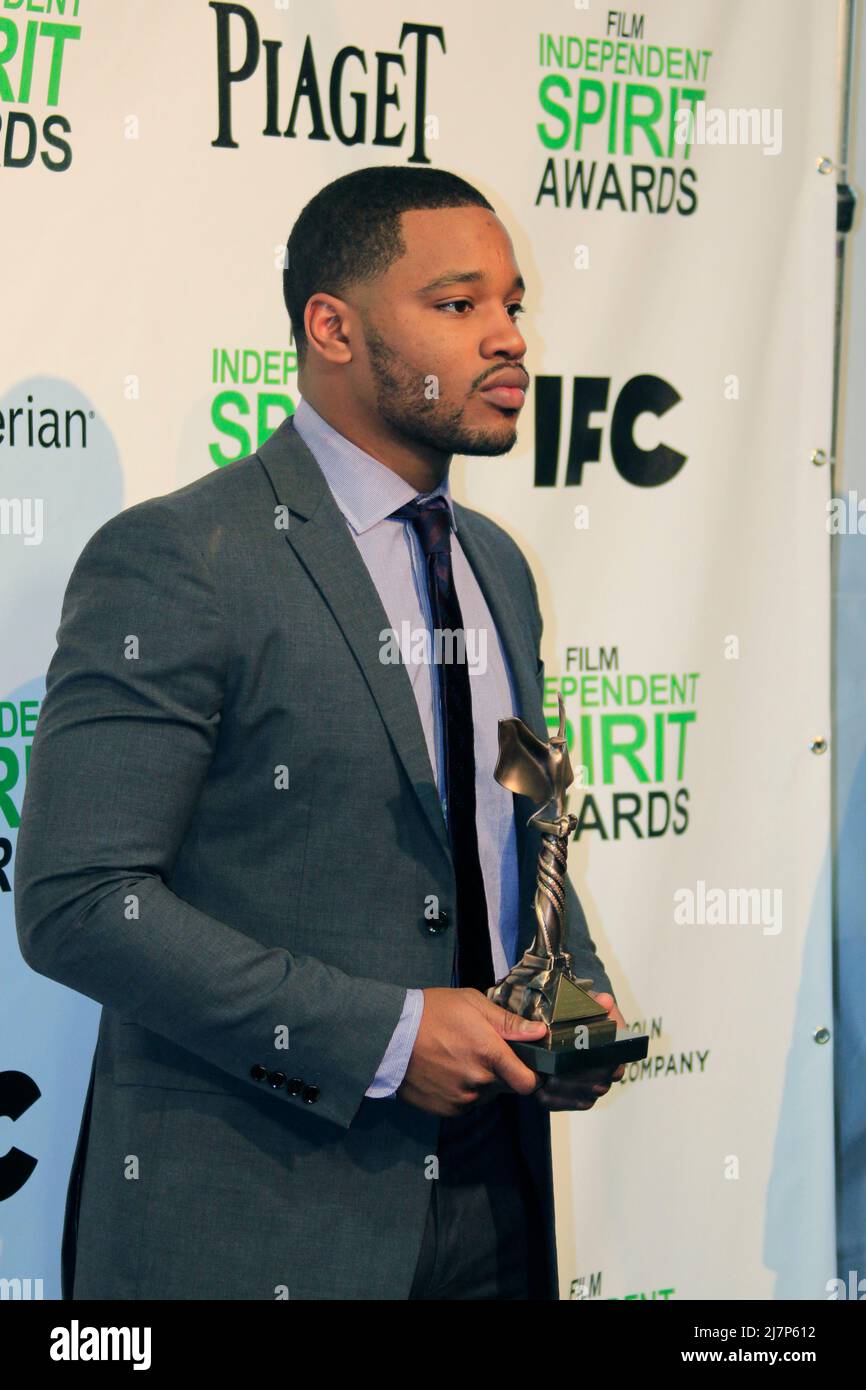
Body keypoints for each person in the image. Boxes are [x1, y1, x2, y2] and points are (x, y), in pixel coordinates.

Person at [14, 164, 626, 1301]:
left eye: (511, 304)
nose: (505, 339)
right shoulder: (180, 559)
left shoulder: (497, 566)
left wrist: (568, 991)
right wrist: (389, 1034)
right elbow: (78, 903)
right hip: (260, 1221)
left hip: (496, 1200)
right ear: (331, 328)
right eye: (456, 306)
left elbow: (509, 817)